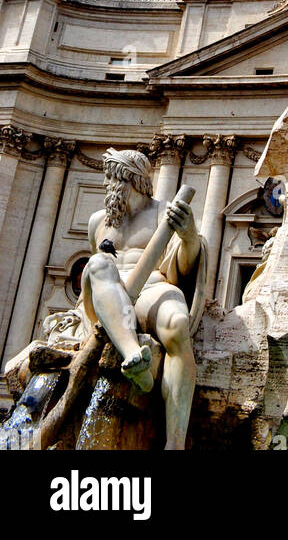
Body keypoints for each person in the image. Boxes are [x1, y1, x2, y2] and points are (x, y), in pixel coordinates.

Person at [81, 148, 207, 450]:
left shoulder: (165, 213)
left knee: (177, 325)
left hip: (152, 288)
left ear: (132, 179)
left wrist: (189, 236)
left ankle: (174, 443)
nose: (107, 186)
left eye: (112, 178)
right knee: (99, 264)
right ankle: (132, 355)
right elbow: (95, 278)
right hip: (107, 298)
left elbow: (186, 267)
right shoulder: (97, 221)